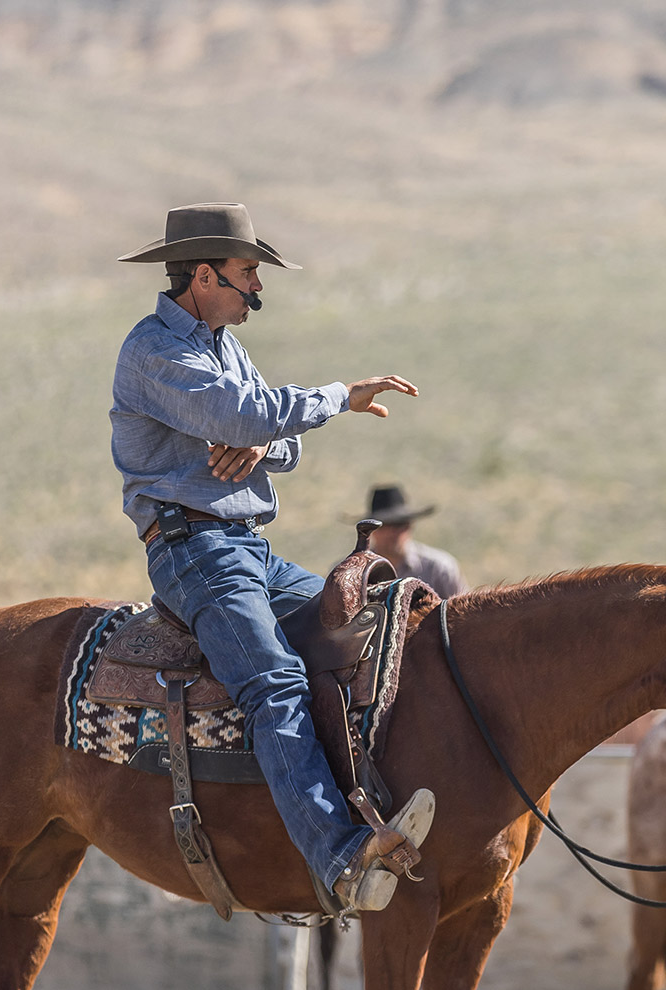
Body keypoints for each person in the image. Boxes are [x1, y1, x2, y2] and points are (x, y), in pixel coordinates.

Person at [111, 202, 432, 915]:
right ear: (204, 275)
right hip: (195, 552)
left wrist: (261, 441)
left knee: (364, 637)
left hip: (247, 548)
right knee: (276, 682)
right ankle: (342, 857)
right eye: (248, 272)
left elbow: (275, 439)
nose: (257, 287)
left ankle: (366, 805)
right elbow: (255, 414)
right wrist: (335, 399)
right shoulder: (155, 353)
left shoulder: (224, 349)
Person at [359, 484, 467, 597]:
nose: (392, 533)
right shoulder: (355, 573)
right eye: (385, 525)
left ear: (409, 526)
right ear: (371, 531)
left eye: (398, 524)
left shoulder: (439, 568)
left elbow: (463, 611)